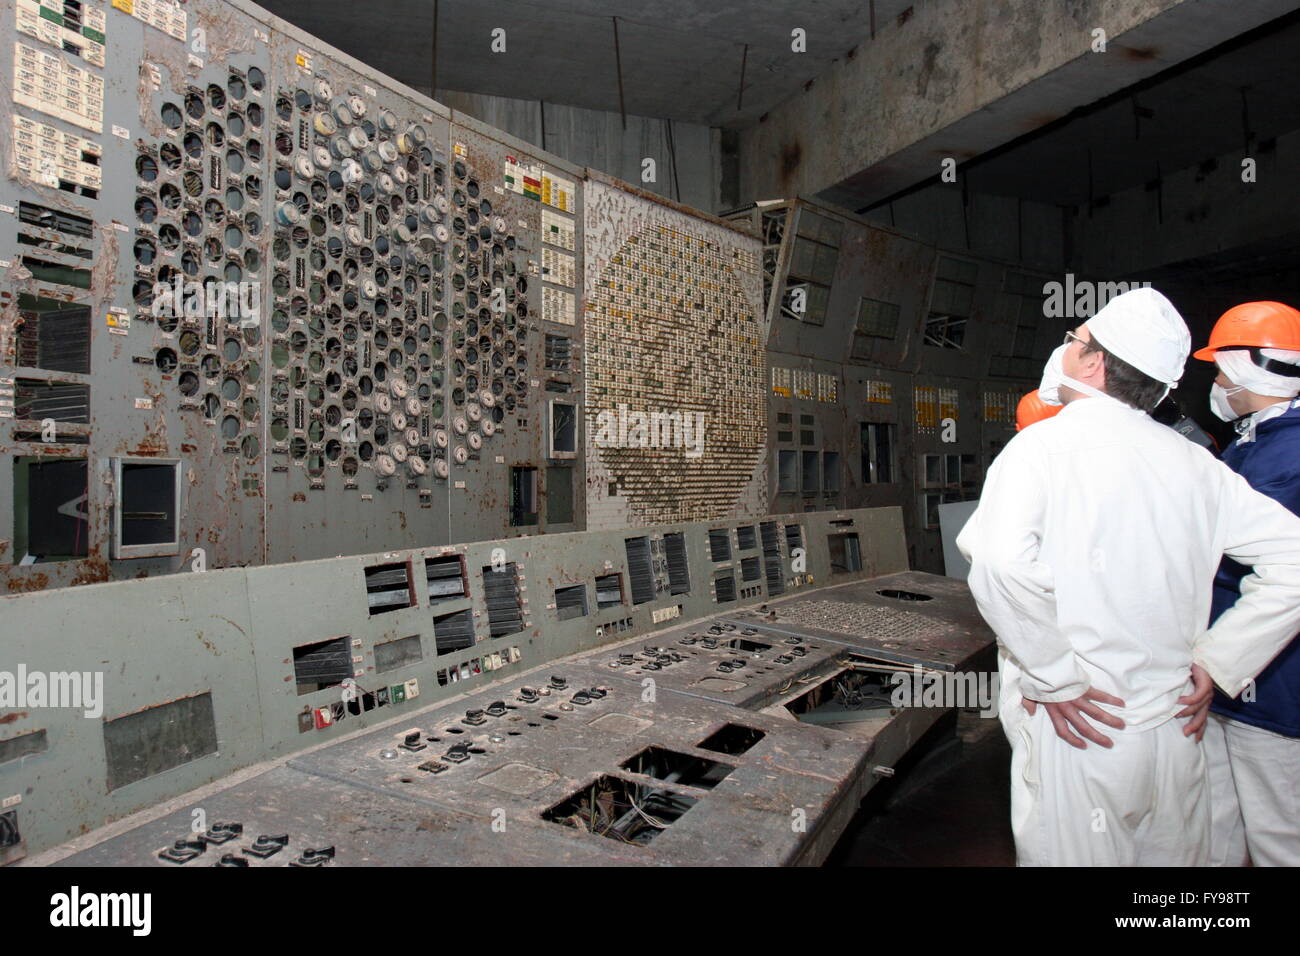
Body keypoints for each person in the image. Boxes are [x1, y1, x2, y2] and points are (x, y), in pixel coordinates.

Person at [956, 287, 1300, 866]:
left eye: (1075, 340)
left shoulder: (1041, 447)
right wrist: (1220, 662)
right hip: (1175, 728)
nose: (1066, 347)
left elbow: (999, 562)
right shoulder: (1197, 465)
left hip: (1083, 729)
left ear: (1093, 362)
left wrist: (1056, 676)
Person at [1192, 300, 1300, 867]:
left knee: (1280, 835)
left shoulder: (1290, 452)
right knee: (1218, 826)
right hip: (1228, 678)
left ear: (1251, 368)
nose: (1215, 382)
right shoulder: (1251, 442)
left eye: (1220, 369)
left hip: (1276, 686)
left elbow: (1263, 563)